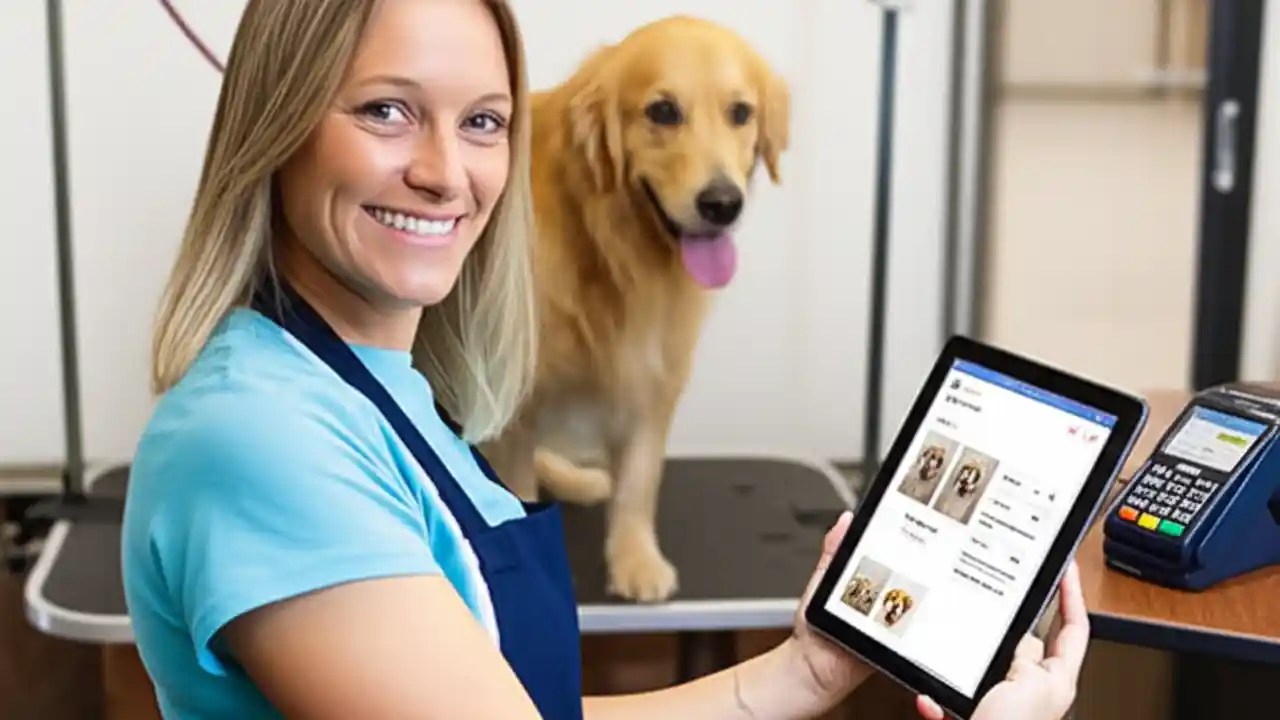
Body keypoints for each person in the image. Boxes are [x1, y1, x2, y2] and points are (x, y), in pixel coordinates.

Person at [120, 1, 1090, 718]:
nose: (445, 172)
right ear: (275, 123)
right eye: (385, 110)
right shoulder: (260, 442)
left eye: (483, 121)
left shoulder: (383, 397)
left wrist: (807, 669)